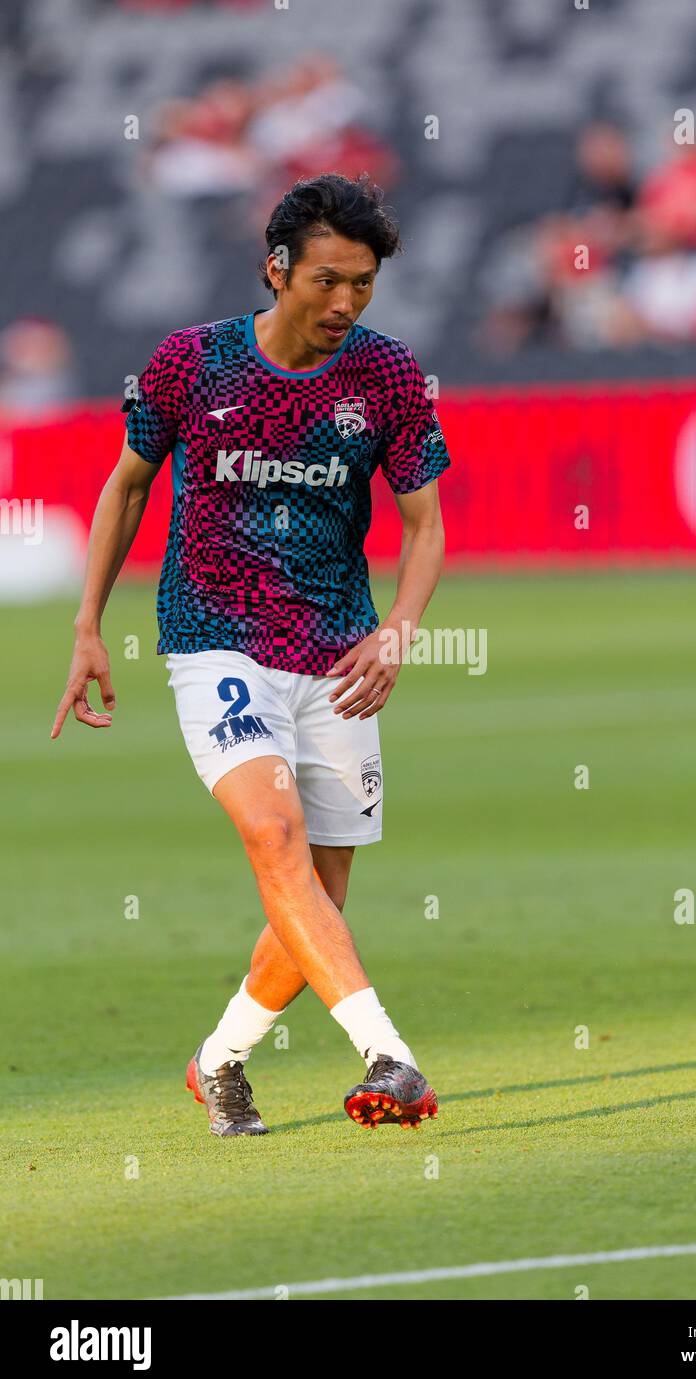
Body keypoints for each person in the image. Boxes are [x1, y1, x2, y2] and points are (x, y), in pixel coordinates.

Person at [51, 173, 450, 1137]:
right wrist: (89, 625)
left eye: (362, 284)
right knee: (274, 841)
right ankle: (390, 1056)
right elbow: (127, 489)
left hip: (337, 655)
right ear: (275, 269)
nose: (345, 303)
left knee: (320, 889)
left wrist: (398, 627)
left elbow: (425, 521)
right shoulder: (192, 363)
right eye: (326, 280)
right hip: (214, 638)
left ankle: (219, 1059)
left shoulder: (388, 374)